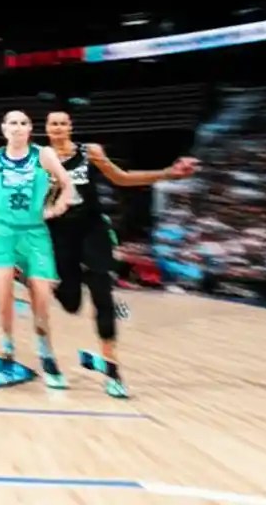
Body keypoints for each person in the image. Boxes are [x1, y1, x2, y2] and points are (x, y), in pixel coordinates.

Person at [44, 110, 198, 398]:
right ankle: (65, 298)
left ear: (70, 127)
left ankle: (113, 372)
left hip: (92, 230)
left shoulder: (90, 152)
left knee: (102, 294)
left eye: (63, 123)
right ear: (47, 128)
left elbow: (122, 178)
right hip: (59, 234)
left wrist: (168, 173)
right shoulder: (39, 158)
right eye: (54, 123)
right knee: (71, 303)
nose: (59, 127)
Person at [0, 111, 75, 389]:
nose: (17, 127)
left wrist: (57, 207)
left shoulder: (44, 155)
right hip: (0, 230)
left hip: (34, 232)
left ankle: (46, 351)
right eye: (12, 123)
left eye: (23, 123)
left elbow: (67, 184)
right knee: (3, 295)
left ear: (30, 129)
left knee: (41, 296)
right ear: (4, 128)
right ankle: (6, 349)